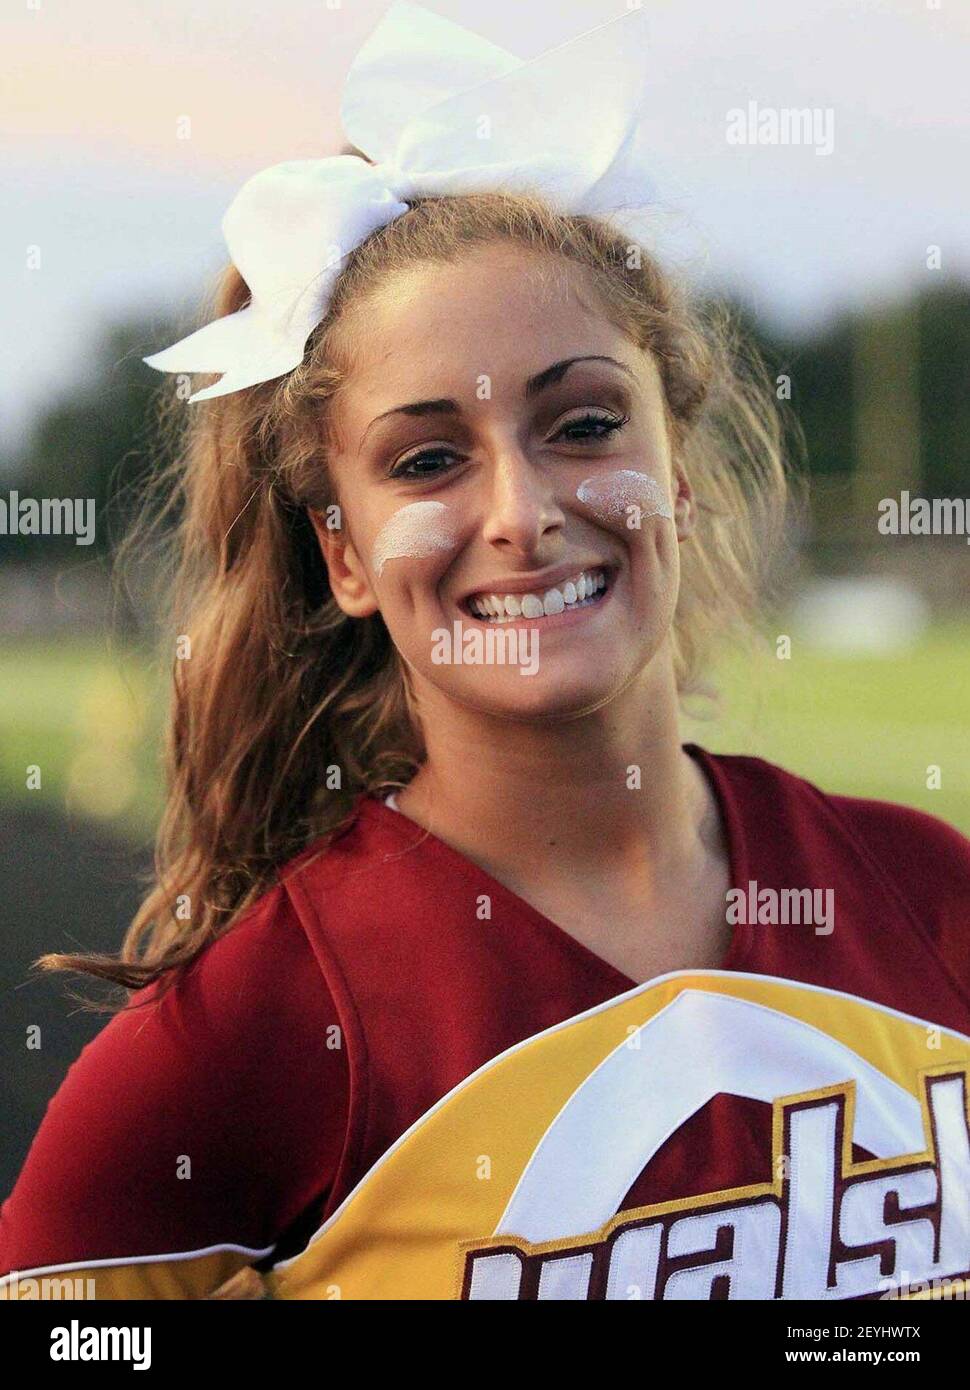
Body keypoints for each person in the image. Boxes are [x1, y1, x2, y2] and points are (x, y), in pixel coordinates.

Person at [2, 2, 968, 1302]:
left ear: (672, 471)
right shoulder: (256, 1030)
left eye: (579, 423)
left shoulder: (926, 890)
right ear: (343, 552)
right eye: (427, 458)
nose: (520, 509)